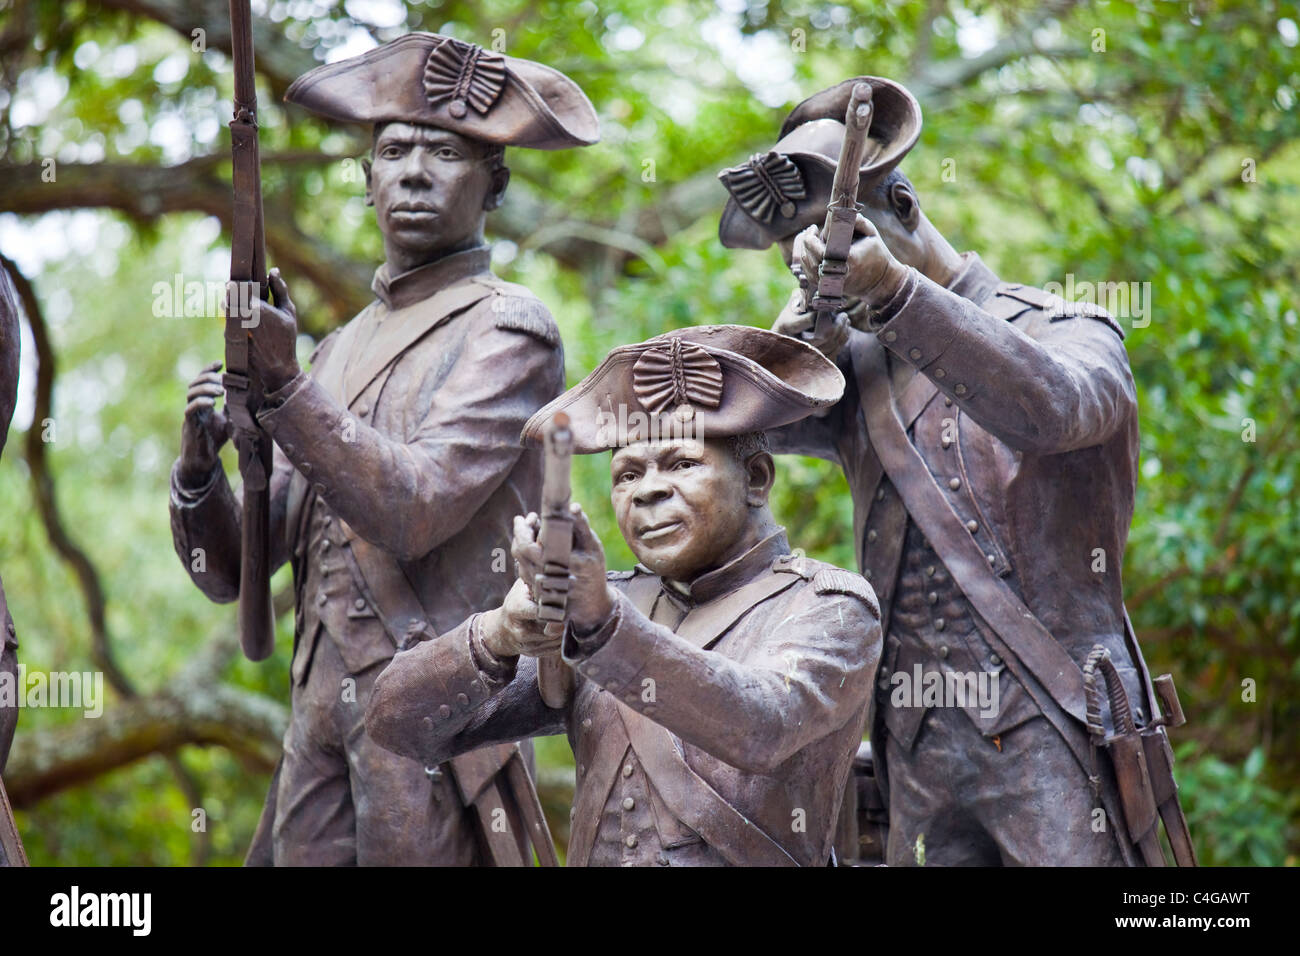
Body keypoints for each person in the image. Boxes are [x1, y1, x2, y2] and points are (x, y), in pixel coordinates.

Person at [719, 76, 1182, 866]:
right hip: (916, 737)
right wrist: (797, 340)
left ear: (900, 208)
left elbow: (1054, 409)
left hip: (1060, 722)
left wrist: (895, 294)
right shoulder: (854, 366)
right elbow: (729, 430)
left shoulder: (1067, 326)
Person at [168, 33, 598, 865]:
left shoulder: (509, 328)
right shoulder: (332, 349)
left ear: (495, 184)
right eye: (393, 150)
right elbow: (231, 576)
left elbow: (416, 508)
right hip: (317, 719)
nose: (413, 170)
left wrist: (287, 390)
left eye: (446, 152)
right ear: (367, 184)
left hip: (438, 712)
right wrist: (200, 474)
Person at [365, 325, 881, 866]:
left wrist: (603, 625)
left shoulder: (830, 607)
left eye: (683, 463)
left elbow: (762, 726)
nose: (648, 490)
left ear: (755, 477)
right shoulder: (603, 607)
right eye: (627, 474)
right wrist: (500, 634)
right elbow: (394, 725)